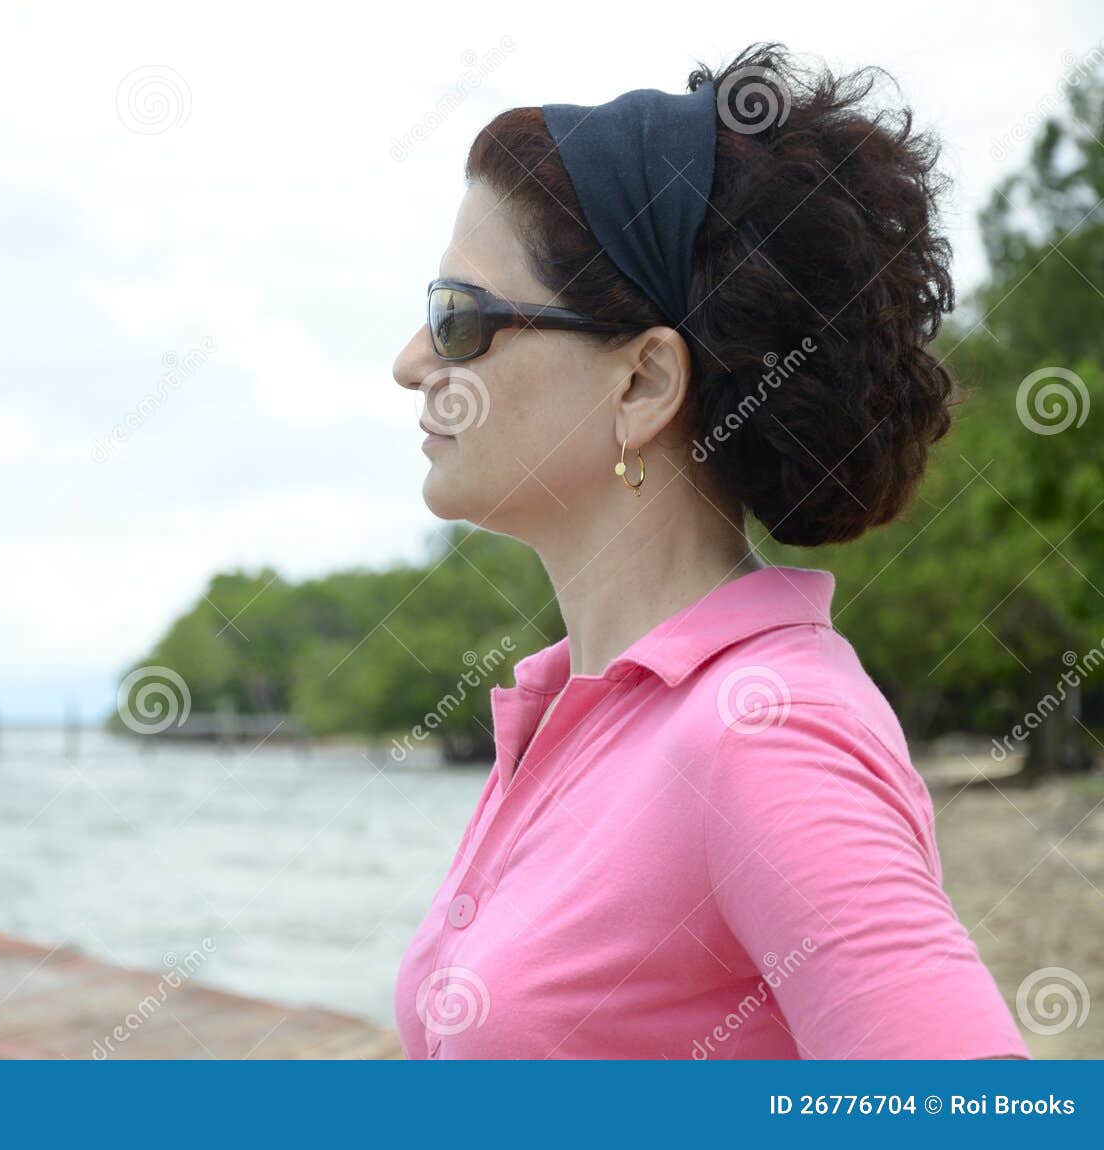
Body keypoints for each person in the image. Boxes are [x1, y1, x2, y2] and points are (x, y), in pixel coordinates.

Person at [390, 43, 1027, 1059]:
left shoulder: (760, 733)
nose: (411, 363)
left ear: (642, 383)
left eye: (458, 320)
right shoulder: (572, 711)